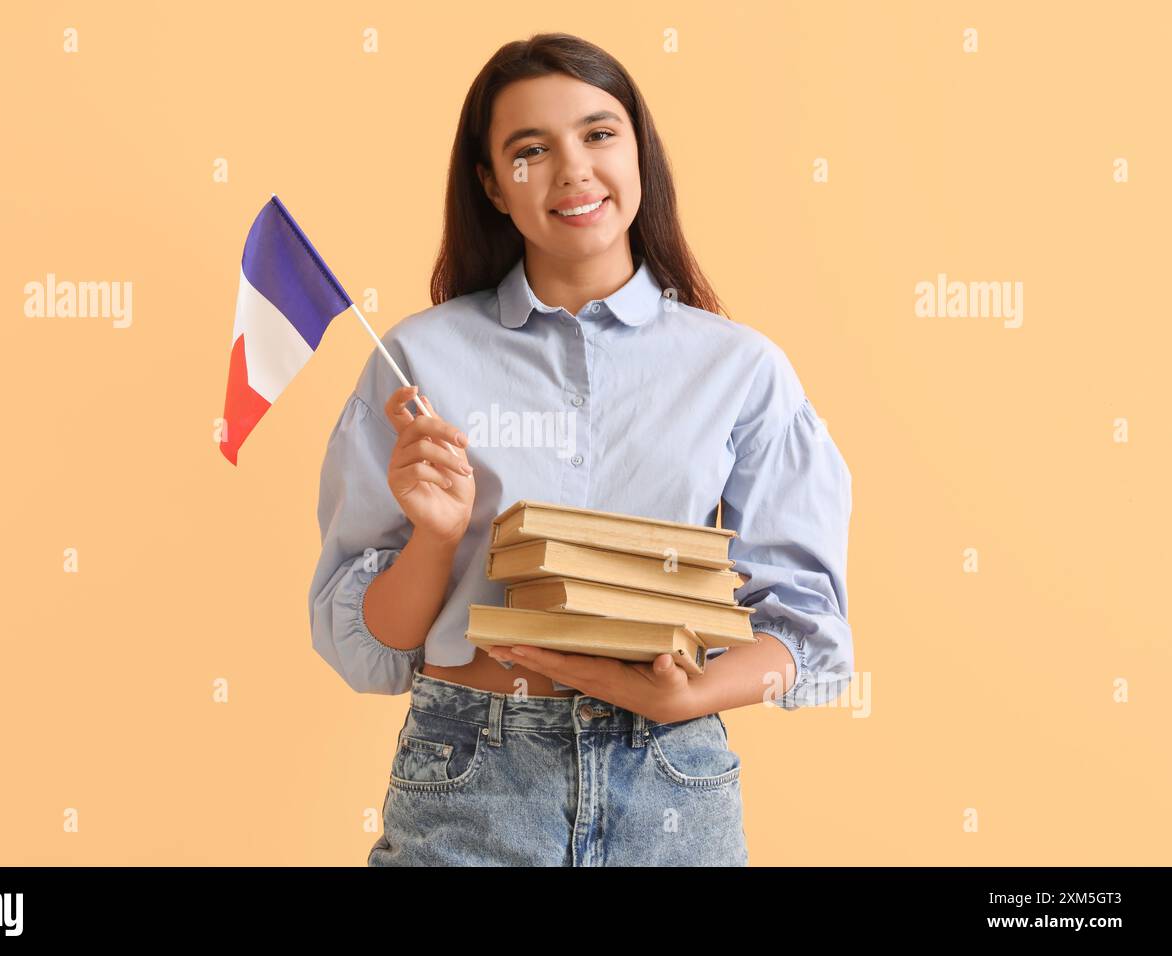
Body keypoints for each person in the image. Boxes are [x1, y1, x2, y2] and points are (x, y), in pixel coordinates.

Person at [307, 33, 853, 866]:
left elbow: (807, 632)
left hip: (670, 782)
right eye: (531, 150)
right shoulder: (416, 363)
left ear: (640, 150)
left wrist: (687, 695)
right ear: (491, 184)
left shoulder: (739, 368)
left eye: (599, 134)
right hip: (471, 777)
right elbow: (374, 648)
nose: (572, 171)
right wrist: (437, 536)